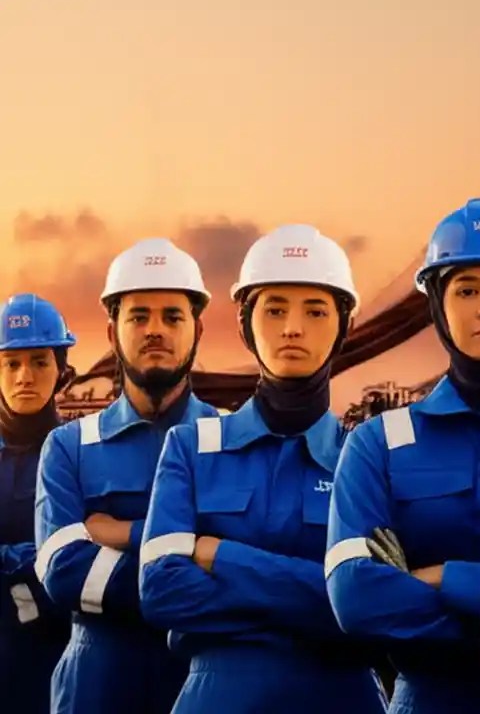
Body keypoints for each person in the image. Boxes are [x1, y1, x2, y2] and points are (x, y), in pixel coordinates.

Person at [138, 224, 386, 713]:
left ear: (344, 325)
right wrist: (317, 594)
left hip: (341, 697)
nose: (292, 327)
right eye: (274, 309)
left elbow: (370, 606)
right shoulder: (190, 447)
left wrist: (221, 557)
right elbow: (160, 590)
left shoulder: (370, 458)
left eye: (315, 311)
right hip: (218, 695)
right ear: (245, 323)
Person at [325, 198, 480, 713]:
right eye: (467, 289)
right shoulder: (378, 445)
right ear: (439, 308)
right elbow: (356, 600)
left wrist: (437, 576)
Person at [35, 238, 218, 714]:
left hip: (206, 685)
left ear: (197, 329)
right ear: (112, 330)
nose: (154, 330)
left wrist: (123, 534)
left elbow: (256, 552)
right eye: (139, 316)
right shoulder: (68, 447)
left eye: (171, 317)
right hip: (96, 688)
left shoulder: (232, 439)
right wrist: (194, 560)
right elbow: (62, 571)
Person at [0, 294, 75, 712]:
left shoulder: (81, 456)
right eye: (11, 363)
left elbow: (80, 557)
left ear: (61, 370)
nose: (24, 376)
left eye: (39, 362)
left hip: (61, 654)